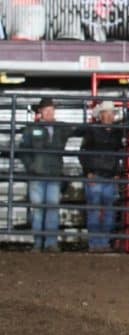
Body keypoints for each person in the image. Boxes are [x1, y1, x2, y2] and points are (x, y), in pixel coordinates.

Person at [19, 98, 73, 252]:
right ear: (40, 112)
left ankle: (49, 242)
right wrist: (31, 166)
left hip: (54, 174)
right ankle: (39, 242)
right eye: (46, 110)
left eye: (51, 109)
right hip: (38, 174)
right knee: (40, 210)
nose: (49, 112)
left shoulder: (61, 128)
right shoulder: (32, 129)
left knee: (51, 209)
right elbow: (23, 151)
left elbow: (78, 130)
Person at [80, 101, 124, 252]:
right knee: (97, 210)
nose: (109, 116)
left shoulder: (116, 133)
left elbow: (120, 155)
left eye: (111, 113)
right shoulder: (94, 131)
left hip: (108, 175)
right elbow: (83, 152)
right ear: (100, 115)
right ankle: (96, 243)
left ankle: (102, 242)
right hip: (97, 174)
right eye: (106, 113)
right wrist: (89, 172)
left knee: (106, 211)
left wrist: (117, 173)